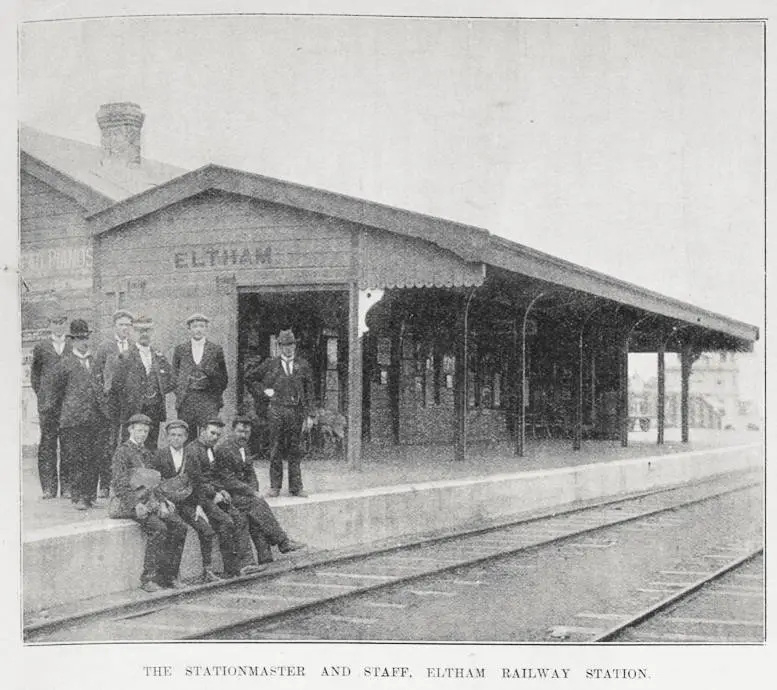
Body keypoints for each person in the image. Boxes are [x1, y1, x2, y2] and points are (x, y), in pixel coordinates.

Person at [110, 413, 188, 593]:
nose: (143, 434)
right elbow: (119, 484)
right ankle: (148, 578)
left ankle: (169, 576)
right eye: (139, 430)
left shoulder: (146, 452)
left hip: (150, 502)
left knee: (179, 526)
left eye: (146, 431)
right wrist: (135, 505)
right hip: (131, 505)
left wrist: (162, 501)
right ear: (130, 430)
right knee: (159, 528)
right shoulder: (122, 452)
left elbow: (154, 482)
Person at [214, 416, 305, 563]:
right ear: (232, 430)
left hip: (242, 494)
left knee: (255, 517)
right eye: (240, 431)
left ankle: (266, 559)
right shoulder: (224, 449)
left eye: (247, 432)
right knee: (257, 505)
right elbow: (227, 480)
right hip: (228, 493)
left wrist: (254, 489)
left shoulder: (243, 446)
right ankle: (282, 542)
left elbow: (251, 473)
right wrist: (251, 492)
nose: (244, 435)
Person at [182, 419, 264, 578]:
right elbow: (196, 480)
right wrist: (214, 494)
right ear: (202, 430)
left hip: (212, 494)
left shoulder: (210, 449)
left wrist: (222, 490)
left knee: (238, 518)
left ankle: (244, 565)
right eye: (212, 433)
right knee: (226, 522)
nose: (214, 437)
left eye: (218, 435)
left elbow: (214, 476)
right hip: (198, 498)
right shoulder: (193, 450)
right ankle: (231, 569)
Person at [149, 420, 222, 583]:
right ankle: (170, 576)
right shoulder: (159, 455)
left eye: (180, 435)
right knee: (178, 530)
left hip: (187, 503)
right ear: (167, 437)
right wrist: (162, 502)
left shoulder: (191, 456)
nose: (176, 439)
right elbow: (153, 483)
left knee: (207, 531)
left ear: (186, 437)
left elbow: (198, 482)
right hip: (167, 503)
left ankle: (207, 571)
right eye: (173, 435)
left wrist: (199, 506)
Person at [246, 329, 315, 497]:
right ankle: (275, 486)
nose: (288, 349)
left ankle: (296, 487)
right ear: (279, 347)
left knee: (295, 449)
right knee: (275, 448)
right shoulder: (270, 364)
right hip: (276, 410)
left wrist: (310, 415)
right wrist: (263, 392)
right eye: (284, 345)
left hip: (296, 411)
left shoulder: (303, 365)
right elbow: (250, 378)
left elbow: (310, 391)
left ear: (295, 346)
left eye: (291, 345)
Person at [42, 319, 102, 511]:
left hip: (94, 418)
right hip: (72, 421)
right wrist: (60, 418)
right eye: (79, 339)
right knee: (76, 459)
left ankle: (91, 495)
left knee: (93, 457)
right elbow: (54, 395)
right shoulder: (64, 364)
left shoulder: (95, 362)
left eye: (86, 338)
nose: (84, 342)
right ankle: (78, 497)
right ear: (72, 341)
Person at [93, 309, 135, 498]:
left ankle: (125, 484)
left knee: (127, 443)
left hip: (129, 404)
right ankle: (105, 484)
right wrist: (102, 400)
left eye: (127, 324)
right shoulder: (105, 347)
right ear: (114, 326)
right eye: (121, 324)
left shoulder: (134, 347)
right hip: (110, 404)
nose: (125, 328)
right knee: (108, 443)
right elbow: (96, 375)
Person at [30, 310, 72, 498]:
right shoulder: (41, 347)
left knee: (68, 445)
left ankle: (67, 488)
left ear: (65, 323)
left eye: (61, 321)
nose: (58, 325)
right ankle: (48, 488)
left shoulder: (72, 345)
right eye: (55, 321)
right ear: (50, 324)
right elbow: (35, 376)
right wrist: (44, 396)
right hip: (48, 407)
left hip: (69, 405)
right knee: (47, 445)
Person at [120, 316, 174, 449]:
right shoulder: (126, 356)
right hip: (134, 409)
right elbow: (117, 385)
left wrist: (157, 390)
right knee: (131, 445)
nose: (144, 334)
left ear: (152, 332)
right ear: (133, 332)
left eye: (147, 330)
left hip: (154, 408)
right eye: (140, 331)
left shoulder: (158, 355)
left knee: (151, 445)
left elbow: (172, 379)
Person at [172, 314, 228, 438]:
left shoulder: (216, 349)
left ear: (206, 328)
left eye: (201, 326)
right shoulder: (180, 349)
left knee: (208, 436)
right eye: (195, 326)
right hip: (187, 400)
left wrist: (213, 396)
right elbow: (174, 376)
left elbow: (223, 378)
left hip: (208, 399)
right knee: (186, 437)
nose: (198, 329)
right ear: (189, 329)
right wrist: (181, 393)